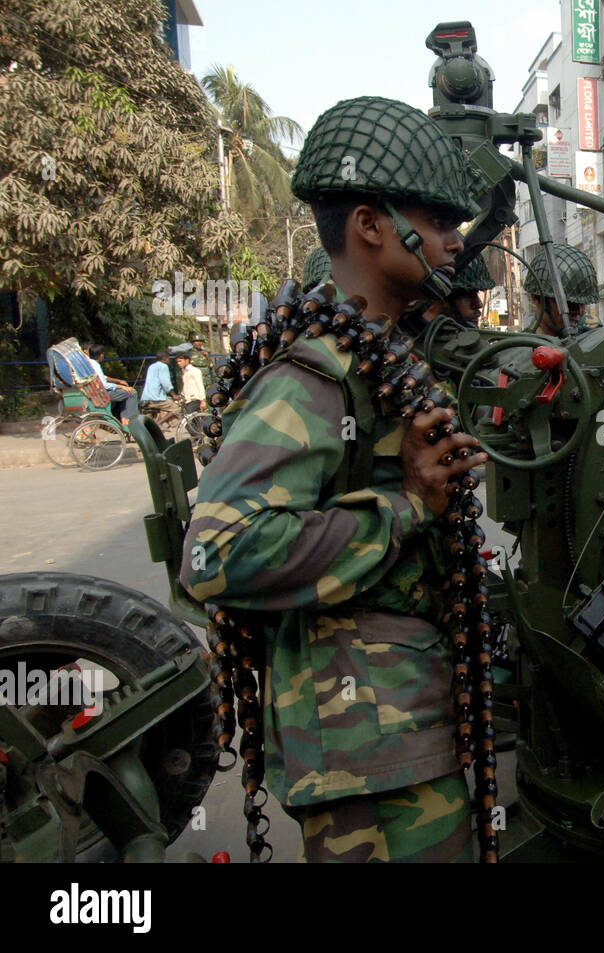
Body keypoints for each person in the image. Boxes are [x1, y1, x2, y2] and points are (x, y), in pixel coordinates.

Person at [180, 95, 488, 863]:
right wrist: (407, 506)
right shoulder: (314, 379)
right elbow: (216, 553)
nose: (454, 242)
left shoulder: (374, 361)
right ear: (371, 225)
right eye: (438, 220)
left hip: (393, 727)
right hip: (367, 748)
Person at [522, 243, 599, 338]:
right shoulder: (526, 348)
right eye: (568, 304)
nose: (579, 311)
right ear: (537, 299)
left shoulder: (589, 332)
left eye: (583, 303)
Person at [86, 344, 138, 424]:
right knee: (132, 392)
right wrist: (121, 386)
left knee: (124, 393)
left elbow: (103, 377)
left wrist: (118, 382)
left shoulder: (88, 363)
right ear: (101, 355)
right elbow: (104, 384)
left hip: (94, 392)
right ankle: (126, 419)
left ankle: (122, 417)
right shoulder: (96, 365)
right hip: (101, 394)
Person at [139, 349, 182, 424]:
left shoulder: (152, 366)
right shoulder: (163, 366)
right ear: (165, 358)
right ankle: (159, 424)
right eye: (168, 358)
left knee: (147, 422)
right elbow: (165, 383)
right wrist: (174, 395)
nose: (169, 360)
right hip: (156, 397)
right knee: (176, 408)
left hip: (146, 397)